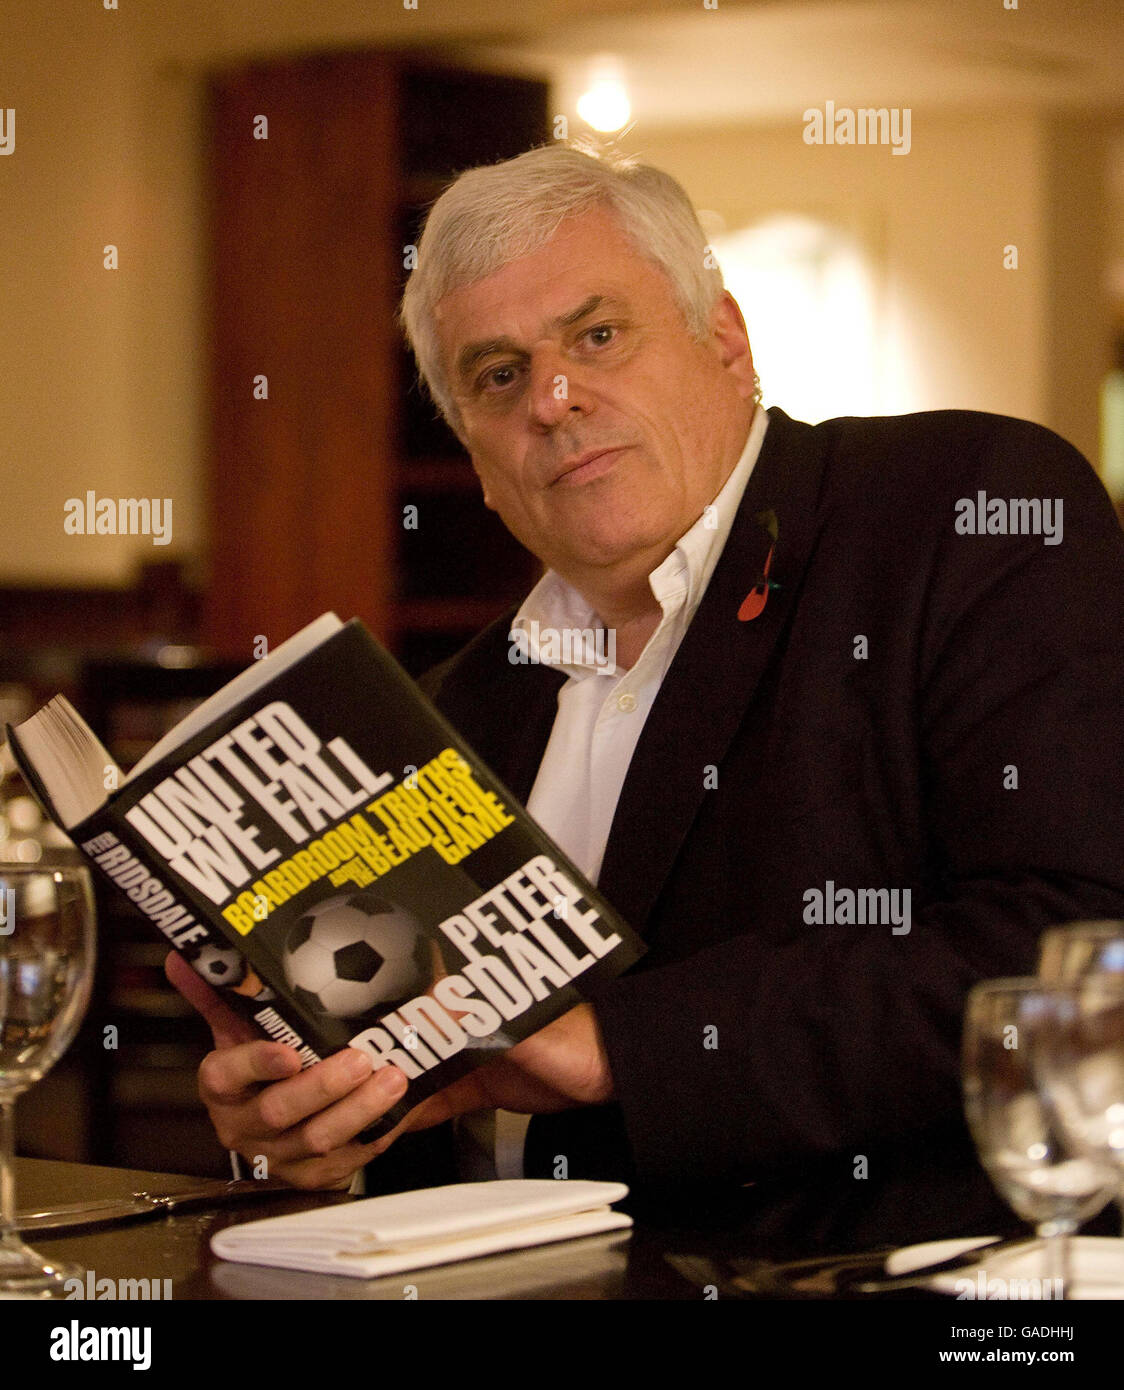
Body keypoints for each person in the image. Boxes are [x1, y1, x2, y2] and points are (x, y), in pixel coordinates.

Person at [168, 145, 1124, 1235]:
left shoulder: (961, 510)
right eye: (497, 375)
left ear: (723, 339)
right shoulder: (453, 708)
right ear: (475, 459)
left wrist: (619, 1046)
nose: (554, 398)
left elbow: (1081, 947)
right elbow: (444, 1100)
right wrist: (323, 1135)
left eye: (596, 335)